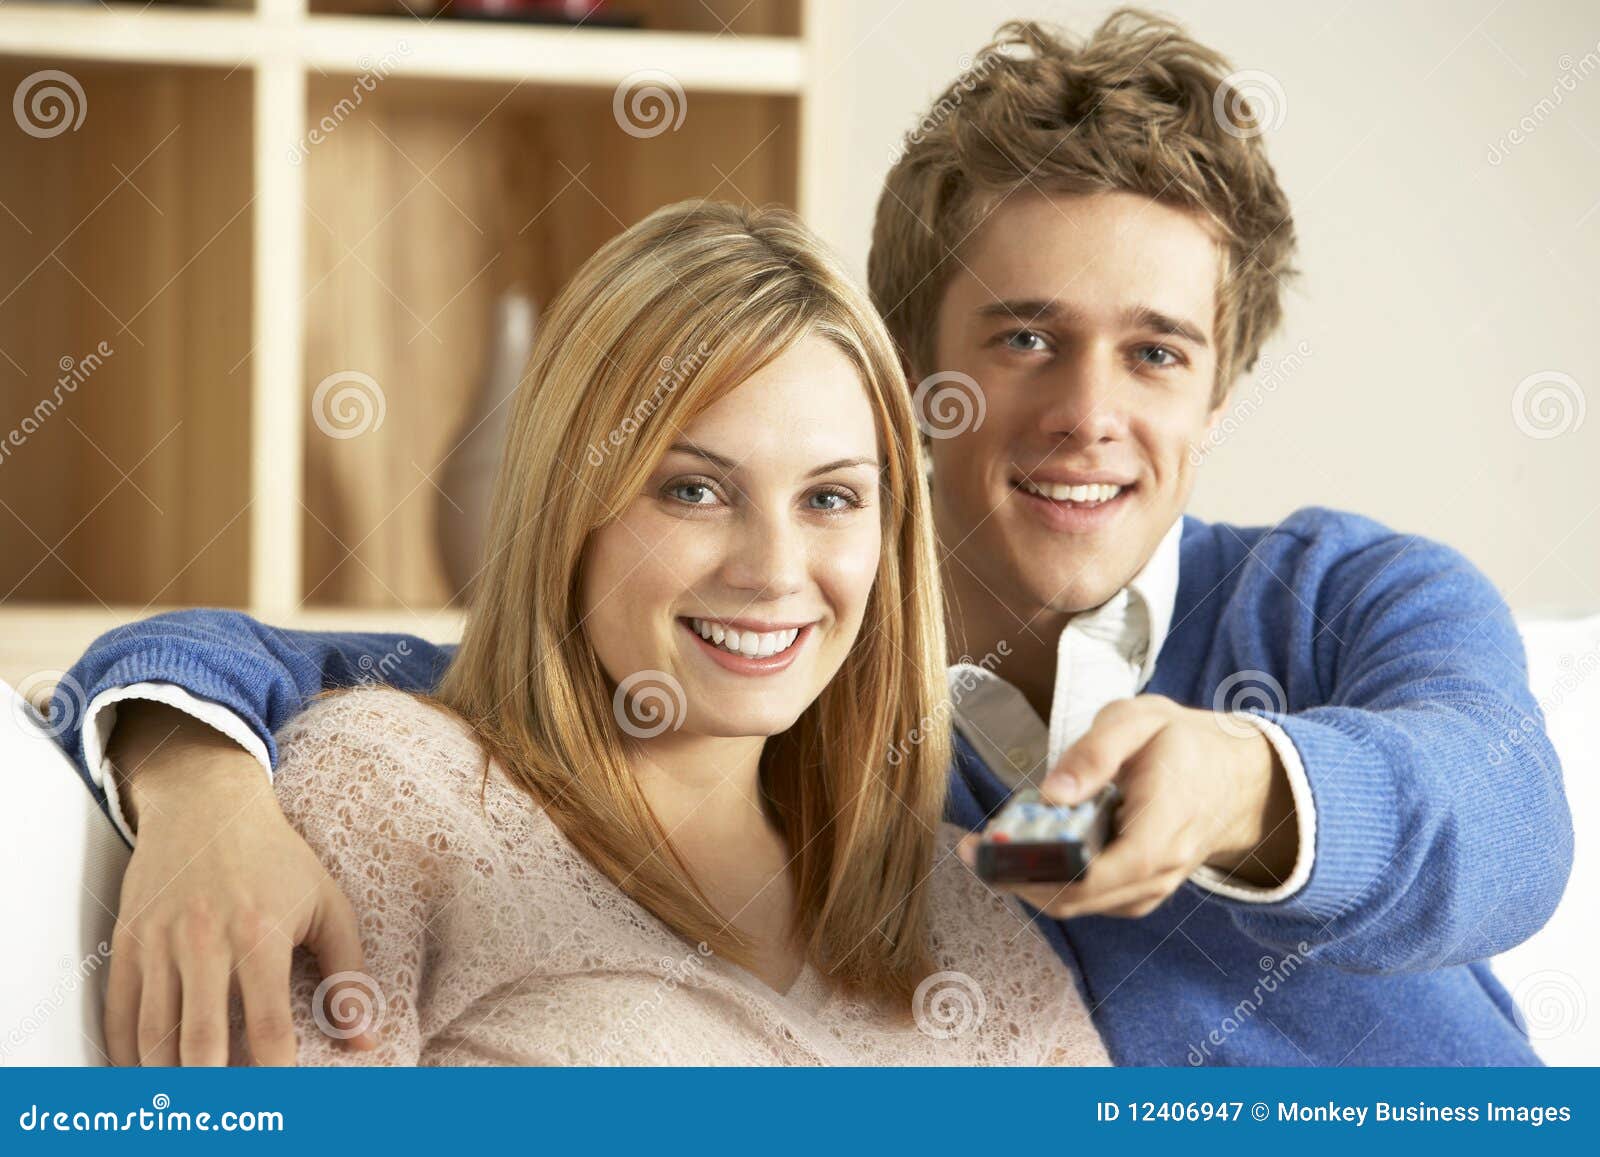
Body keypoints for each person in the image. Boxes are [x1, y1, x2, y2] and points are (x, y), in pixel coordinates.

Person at [52, 11, 1570, 1067]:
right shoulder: (811, 676)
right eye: (1027, 336)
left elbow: (1503, 817)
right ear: (915, 370)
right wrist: (193, 778)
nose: (1087, 413)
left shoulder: (1331, 599)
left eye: (1158, 352)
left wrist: (1245, 782)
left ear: (1222, 389)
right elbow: (435, 674)